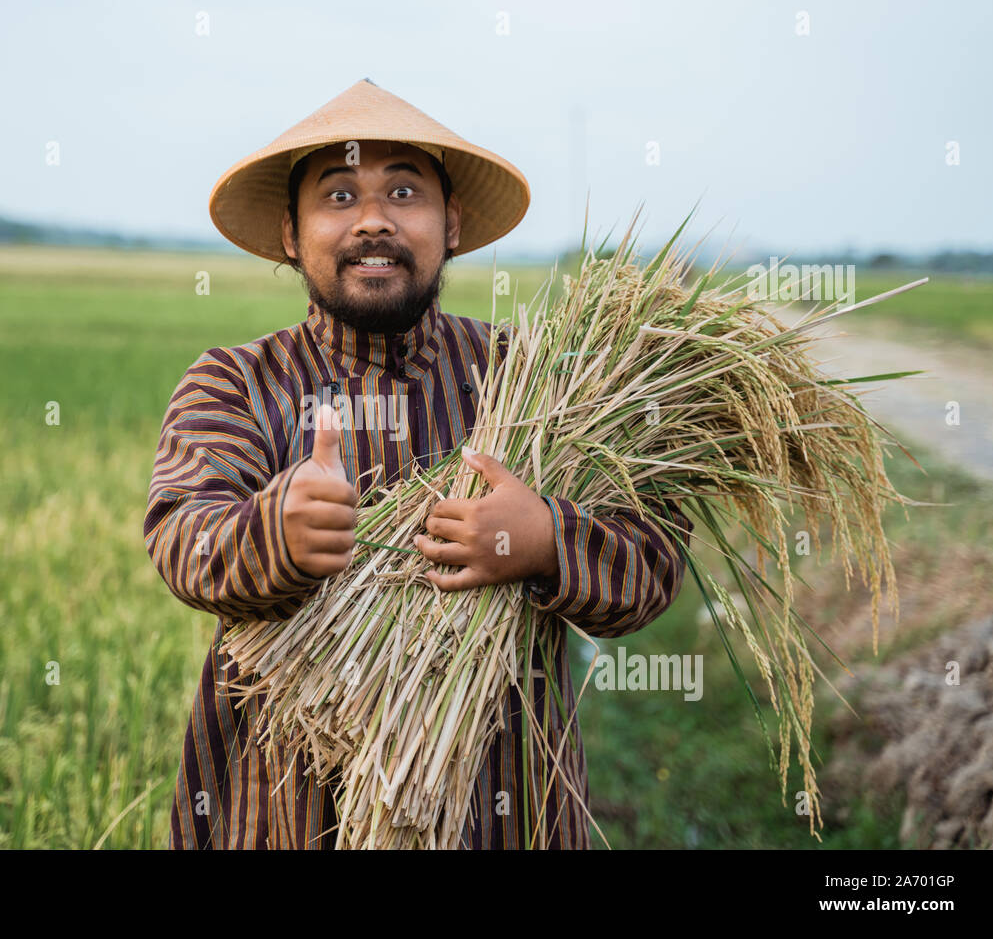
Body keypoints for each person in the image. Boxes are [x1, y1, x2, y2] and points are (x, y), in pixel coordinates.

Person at [143, 78, 692, 848]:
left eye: (404, 191)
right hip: (279, 815)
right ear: (292, 236)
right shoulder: (236, 384)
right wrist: (277, 532)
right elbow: (182, 537)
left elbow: (654, 561)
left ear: (453, 223)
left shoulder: (536, 382)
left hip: (502, 812)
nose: (373, 220)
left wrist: (544, 541)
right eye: (338, 196)